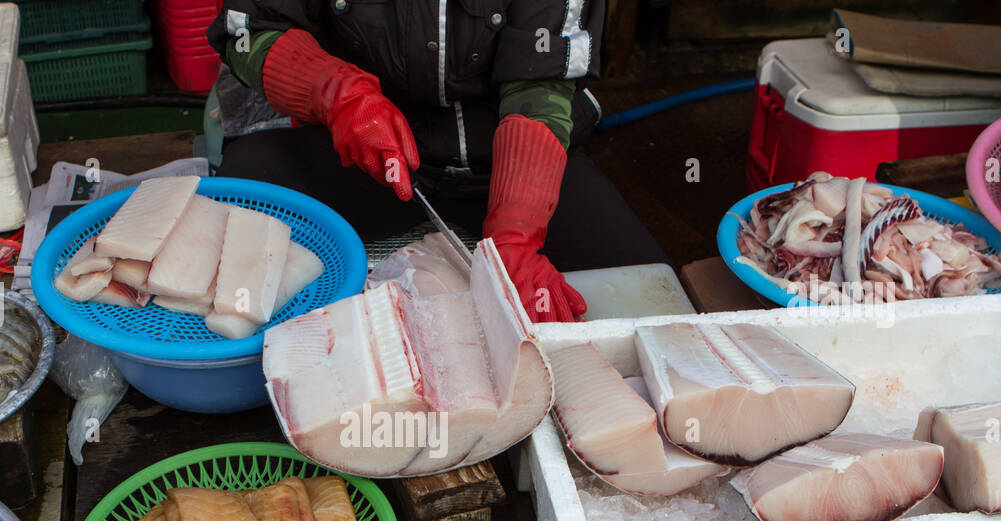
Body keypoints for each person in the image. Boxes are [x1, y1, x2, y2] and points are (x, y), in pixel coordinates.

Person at [207, 1, 668, 323]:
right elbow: (247, 31)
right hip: (368, 152)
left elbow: (540, 84)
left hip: (507, 161)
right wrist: (335, 92)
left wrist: (518, 230)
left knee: (649, 293)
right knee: (230, 210)